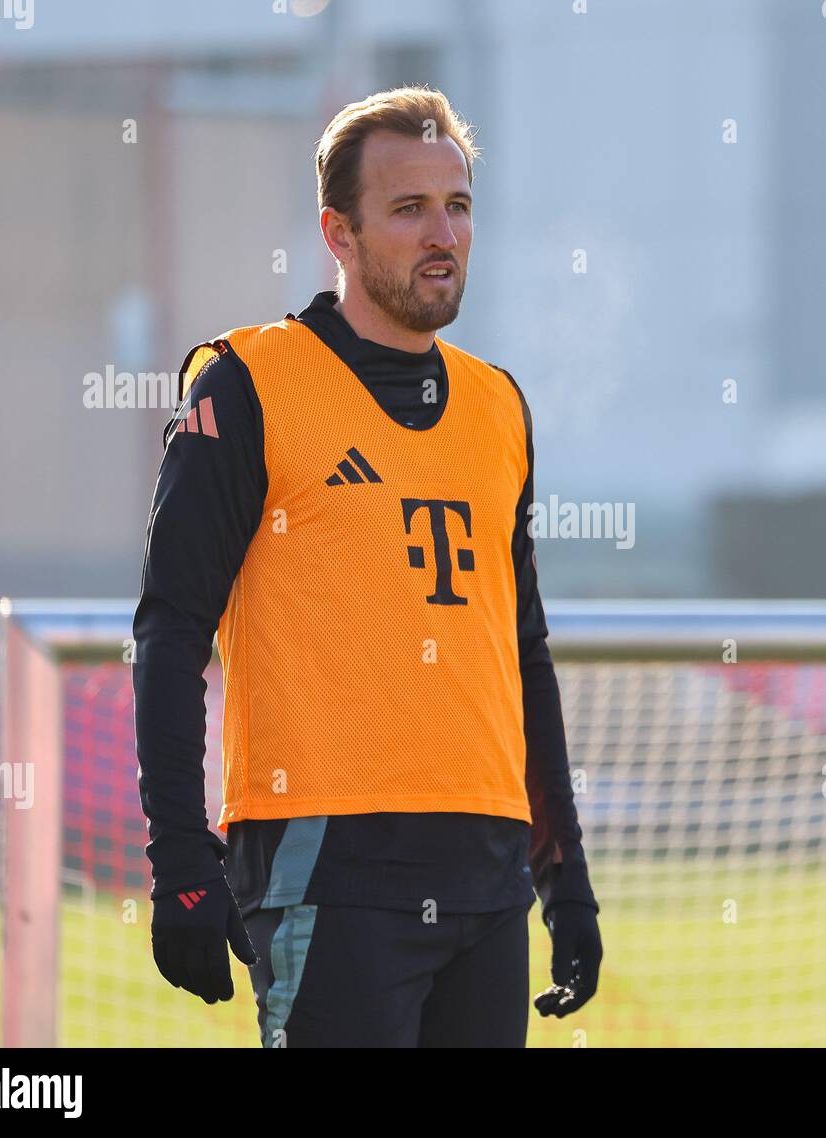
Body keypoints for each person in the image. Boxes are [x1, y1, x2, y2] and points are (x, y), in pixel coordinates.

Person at [132, 86, 601, 1047]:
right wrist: (181, 857)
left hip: (486, 864)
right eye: (409, 208)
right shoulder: (250, 382)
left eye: (459, 204)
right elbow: (170, 629)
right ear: (337, 234)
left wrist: (565, 873)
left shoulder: (498, 405)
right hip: (326, 861)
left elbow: (524, 656)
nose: (444, 233)